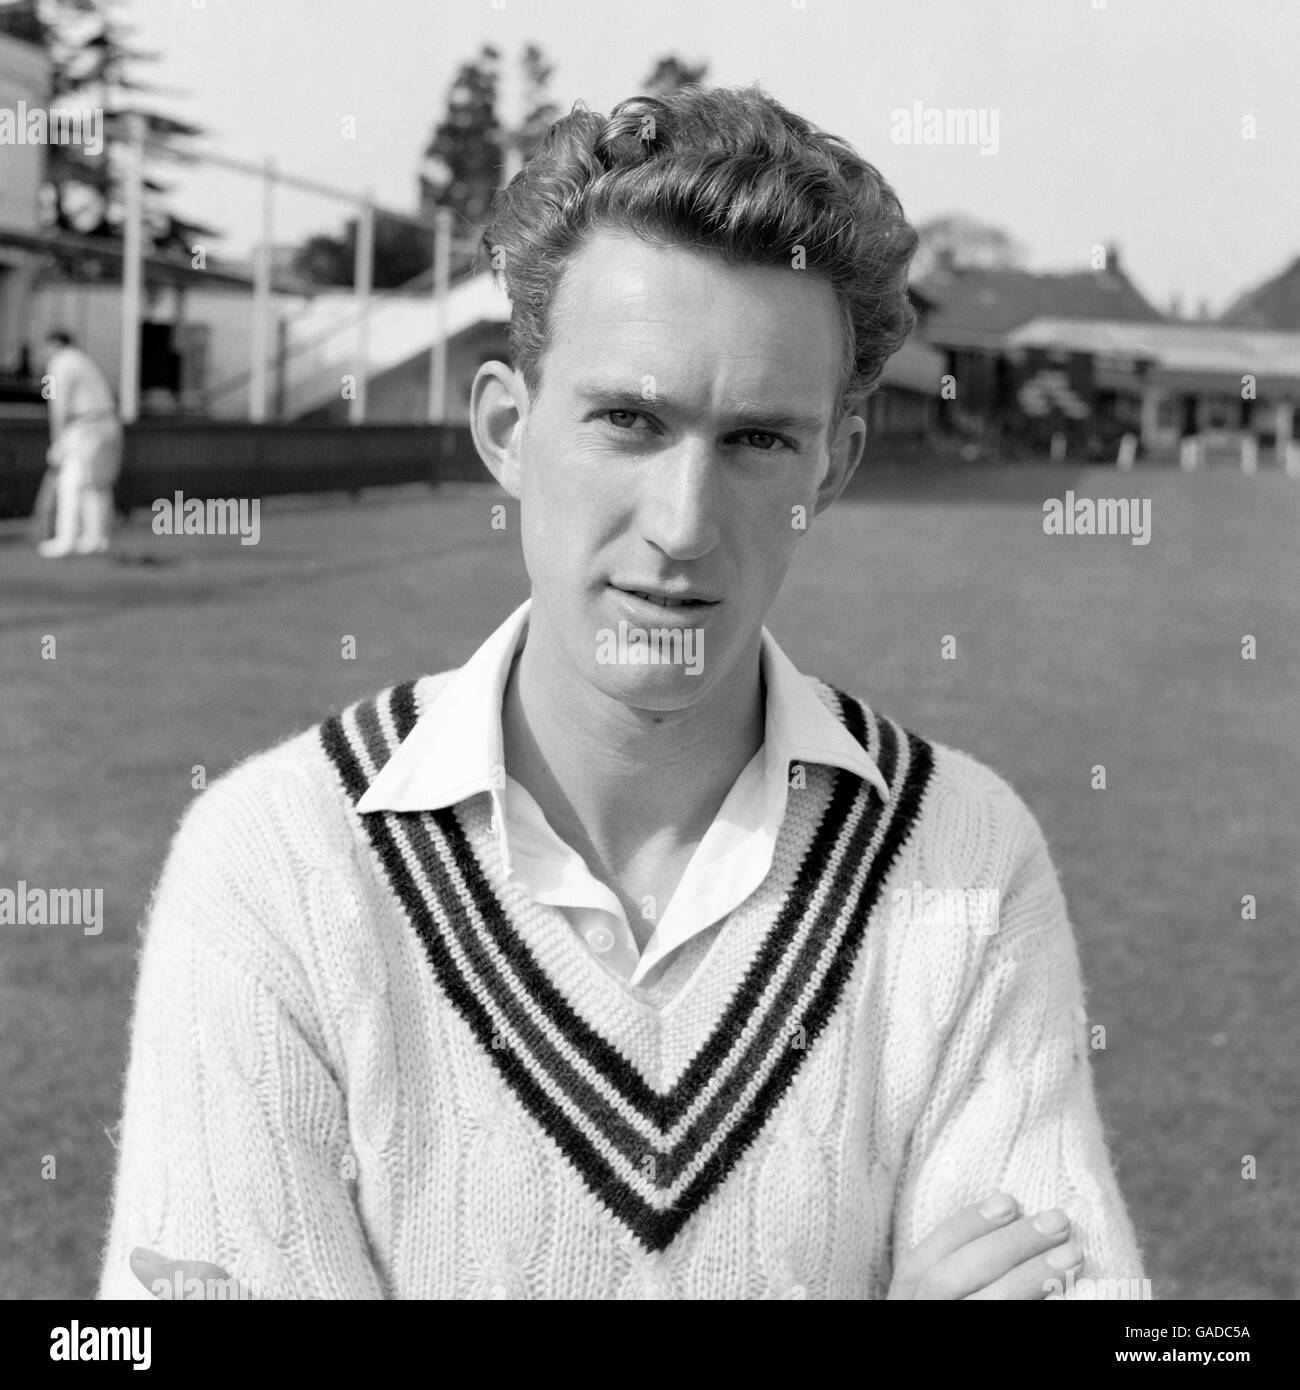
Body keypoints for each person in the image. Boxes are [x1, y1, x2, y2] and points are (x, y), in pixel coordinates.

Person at [97, 84, 1146, 1300]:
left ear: (832, 464)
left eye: (756, 441)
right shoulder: (272, 864)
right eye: (629, 421)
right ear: (507, 426)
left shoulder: (964, 863)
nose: (683, 526)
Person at [35, 329, 123, 558]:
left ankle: (66, 540)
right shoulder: (83, 359)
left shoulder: (59, 363)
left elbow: (57, 403)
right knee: (95, 483)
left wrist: (57, 442)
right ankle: (95, 538)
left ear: (54, 343)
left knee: (70, 482)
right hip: (108, 422)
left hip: (85, 426)